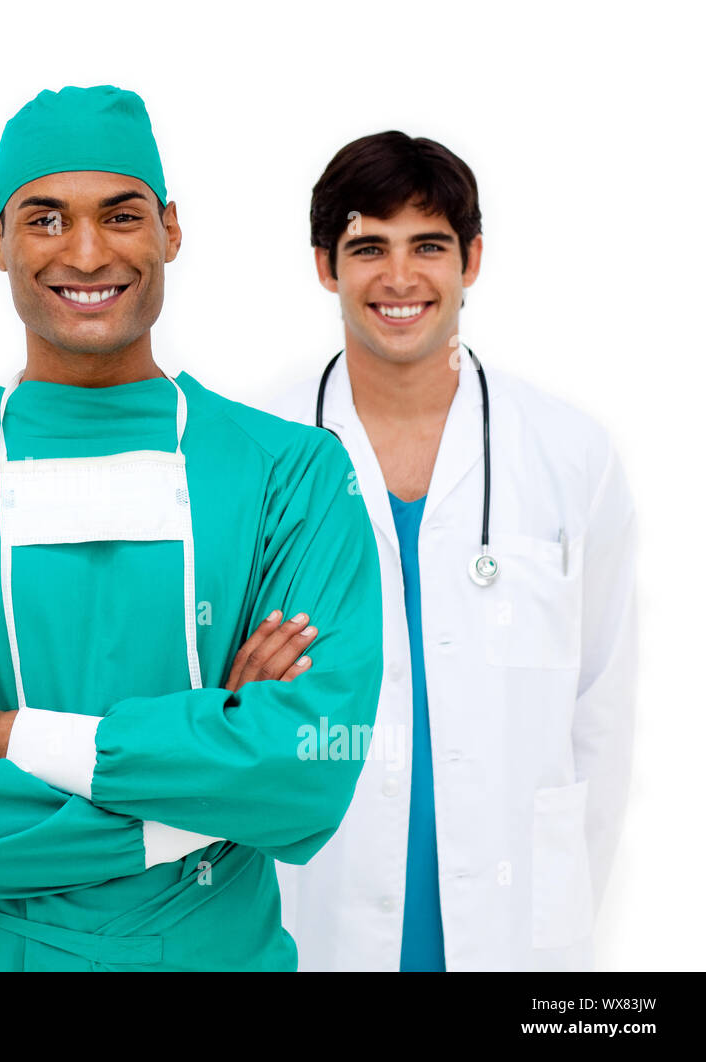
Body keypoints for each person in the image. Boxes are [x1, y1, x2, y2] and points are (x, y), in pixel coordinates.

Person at [0, 85, 384, 971]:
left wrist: (11, 738)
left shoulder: (295, 479)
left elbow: (305, 772)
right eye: (46, 219)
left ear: (170, 230)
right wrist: (212, 771)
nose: (87, 253)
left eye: (120, 216)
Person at [265, 132, 637, 971]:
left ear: (472, 259)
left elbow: (601, 717)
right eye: (369, 248)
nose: (399, 279)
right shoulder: (259, 457)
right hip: (314, 913)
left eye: (428, 246)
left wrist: (569, 911)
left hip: (517, 930)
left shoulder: (570, 455)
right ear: (326, 266)